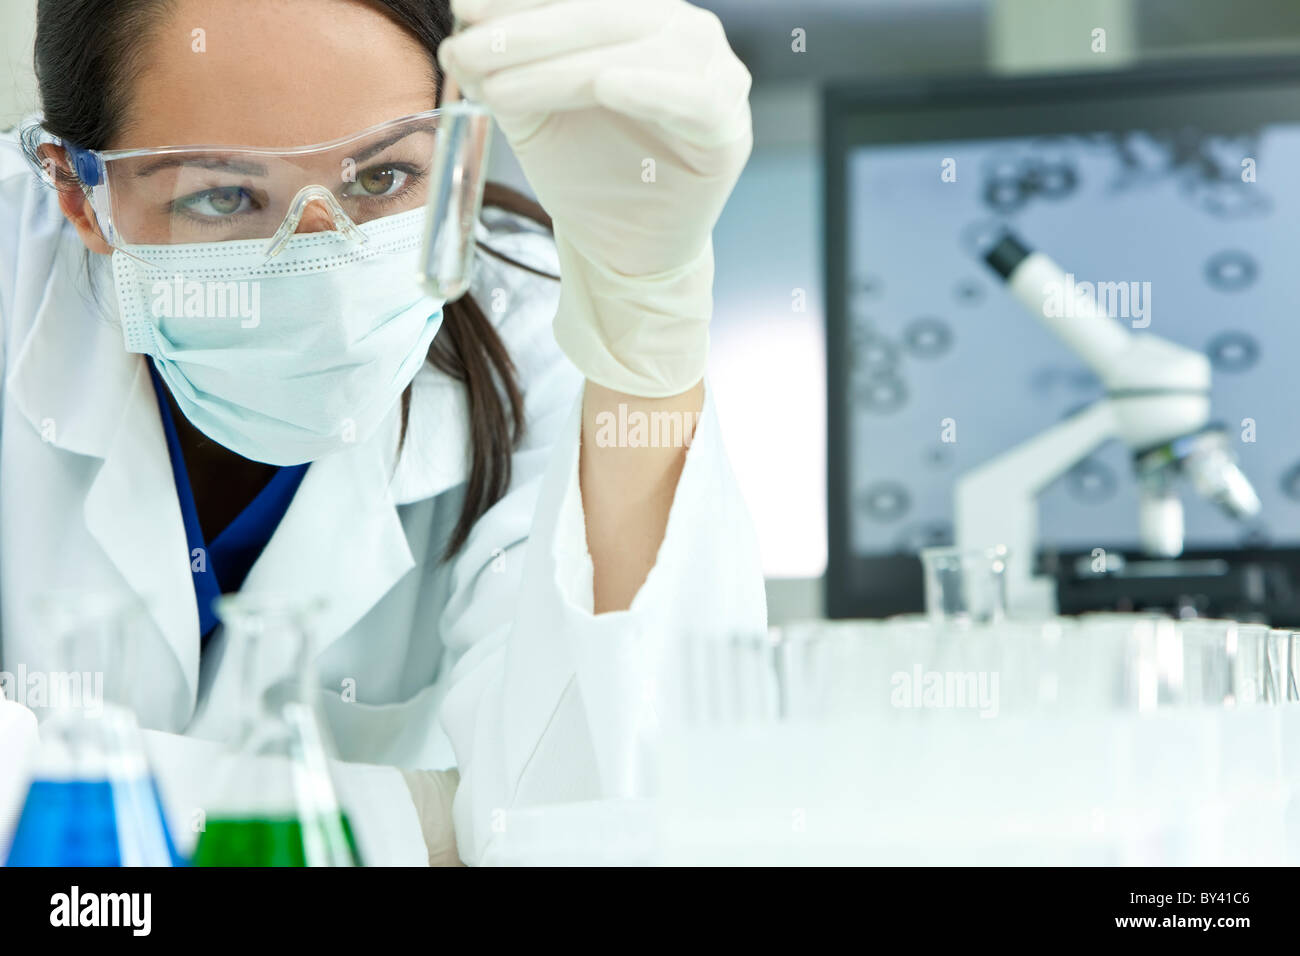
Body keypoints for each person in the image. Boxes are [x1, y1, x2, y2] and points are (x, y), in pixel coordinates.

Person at [0, 0, 765, 865]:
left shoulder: (541, 339)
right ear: (77, 192)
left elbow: (620, 823)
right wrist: (417, 822)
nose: (321, 268)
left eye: (380, 177)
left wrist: (647, 326)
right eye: (223, 195)